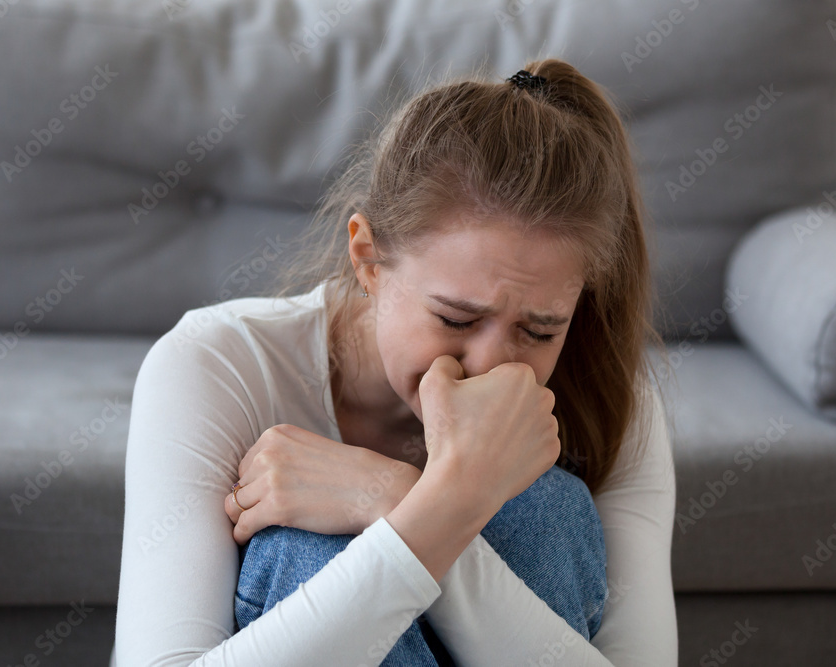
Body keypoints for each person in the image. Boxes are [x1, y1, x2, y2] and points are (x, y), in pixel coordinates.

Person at [112, 58, 678, 666]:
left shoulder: (612, 395)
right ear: (367, 260)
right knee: (306, 550)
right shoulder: (215, 363)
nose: (491, 365)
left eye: (540, 330)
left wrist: (396, 497)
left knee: (544, 509)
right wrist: (439, 507)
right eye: (456, 319)